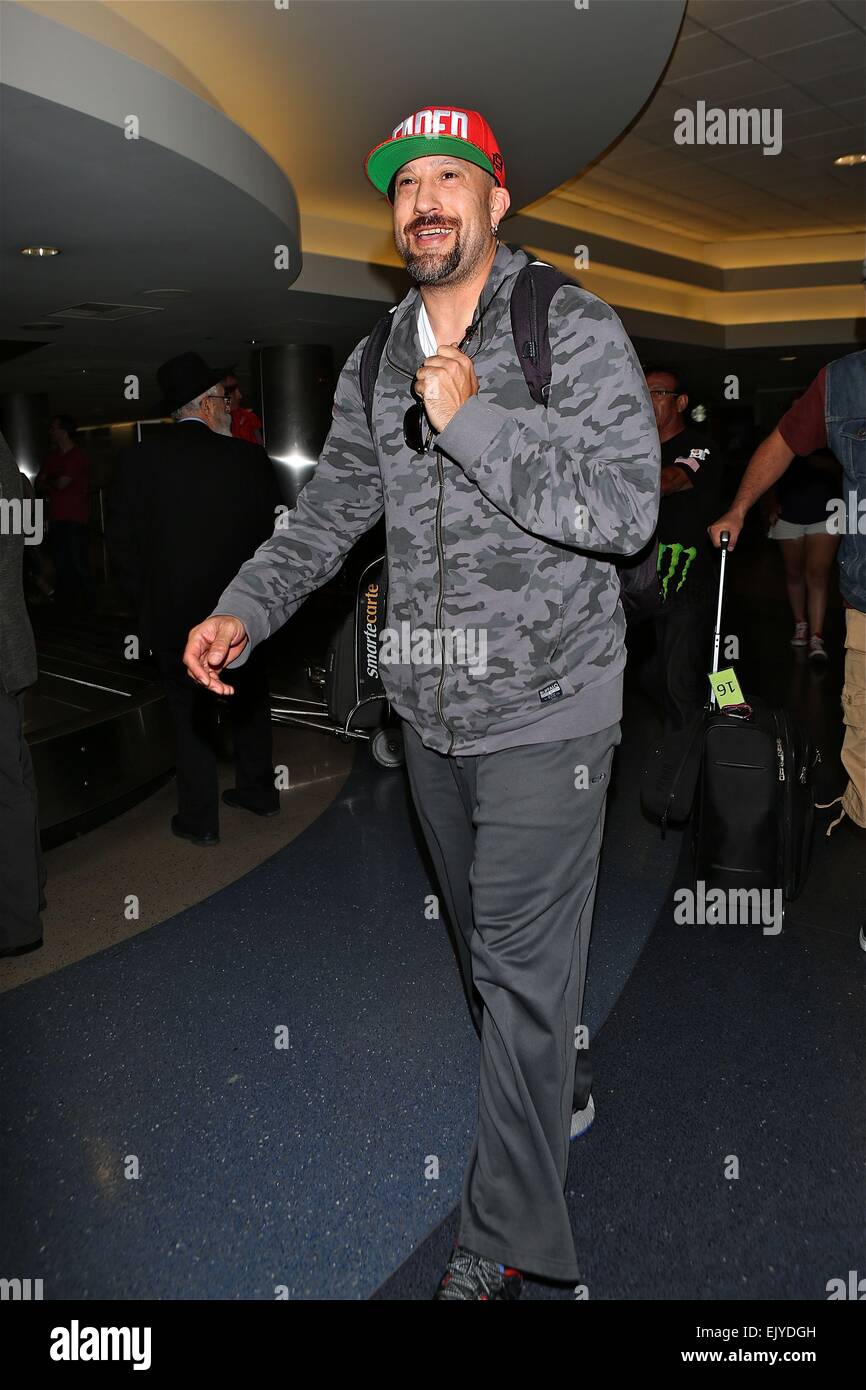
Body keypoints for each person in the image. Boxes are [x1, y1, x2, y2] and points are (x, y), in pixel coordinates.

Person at [183, 107, 660, 1297]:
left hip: (551, 710)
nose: (425, 200)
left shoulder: (571, 329)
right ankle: (558, 1080)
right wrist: (245, 605)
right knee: (487, 956)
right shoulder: (373, 361)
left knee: (518, 962)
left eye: (450, 177)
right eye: (405, 185)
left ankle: (500, 1245)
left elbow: (624, 511)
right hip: (430, 717)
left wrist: (478, 420)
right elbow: (333, 515)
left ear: (497, 201)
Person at [107, 352, 283, 846]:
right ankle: (259, 792)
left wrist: (145, 602)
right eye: (224, 398)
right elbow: (277, 539)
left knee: (187, 715)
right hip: (243, 612)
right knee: (249, 702)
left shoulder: (139, 459)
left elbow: (121, 544)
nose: (229, 406)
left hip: (173, 616)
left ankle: (200, 819)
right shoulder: (248, 458)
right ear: (205, 405)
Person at [709, 344, 866, 853]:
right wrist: (740, 508)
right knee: (862, 735)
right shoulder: (843, 380)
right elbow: (781, 442)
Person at [641, 365, 723, 730]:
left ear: (681, 402)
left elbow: (670, 481)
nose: (648, 399)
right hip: (643, 587)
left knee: (690, 683)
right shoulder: (635, 448)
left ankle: (726, 742)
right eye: (644, 392)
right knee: (648, 679)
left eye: (657, 393)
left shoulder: (699, 446)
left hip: (690, 587)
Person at [0, 428, 45, 956]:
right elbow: (33, 537)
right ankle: (29, 894)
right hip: (10, 647)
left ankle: (16, 925)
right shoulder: (14, 478)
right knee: (15, 776)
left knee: (7, 787)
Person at [762, 446, 840, 660]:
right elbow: (768, 471)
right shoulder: (785, 435)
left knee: (817, 574)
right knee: (794, 573)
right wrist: (771, 503)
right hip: (788, 514)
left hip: (827, 514)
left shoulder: (830, 435)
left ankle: (817, 636)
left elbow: (848, 469)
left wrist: (824, 463)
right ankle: (800, 623)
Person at [36, 414, 93, 611]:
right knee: (61, 562)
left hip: (74, 517)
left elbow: (60, 483)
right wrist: (53, 481)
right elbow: (41, 483)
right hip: (57, 517)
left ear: (63, 431)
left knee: (77, 560)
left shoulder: (77, 455)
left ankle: (88, 603)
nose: (51, 432)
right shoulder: (52, 457)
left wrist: (50, 481)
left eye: (54, 428)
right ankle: (67, 603)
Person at [222, 371, 264, 445]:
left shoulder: (249, 418)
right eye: (231, 391)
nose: (239, 396)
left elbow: (259, 449)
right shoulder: (209, 422)